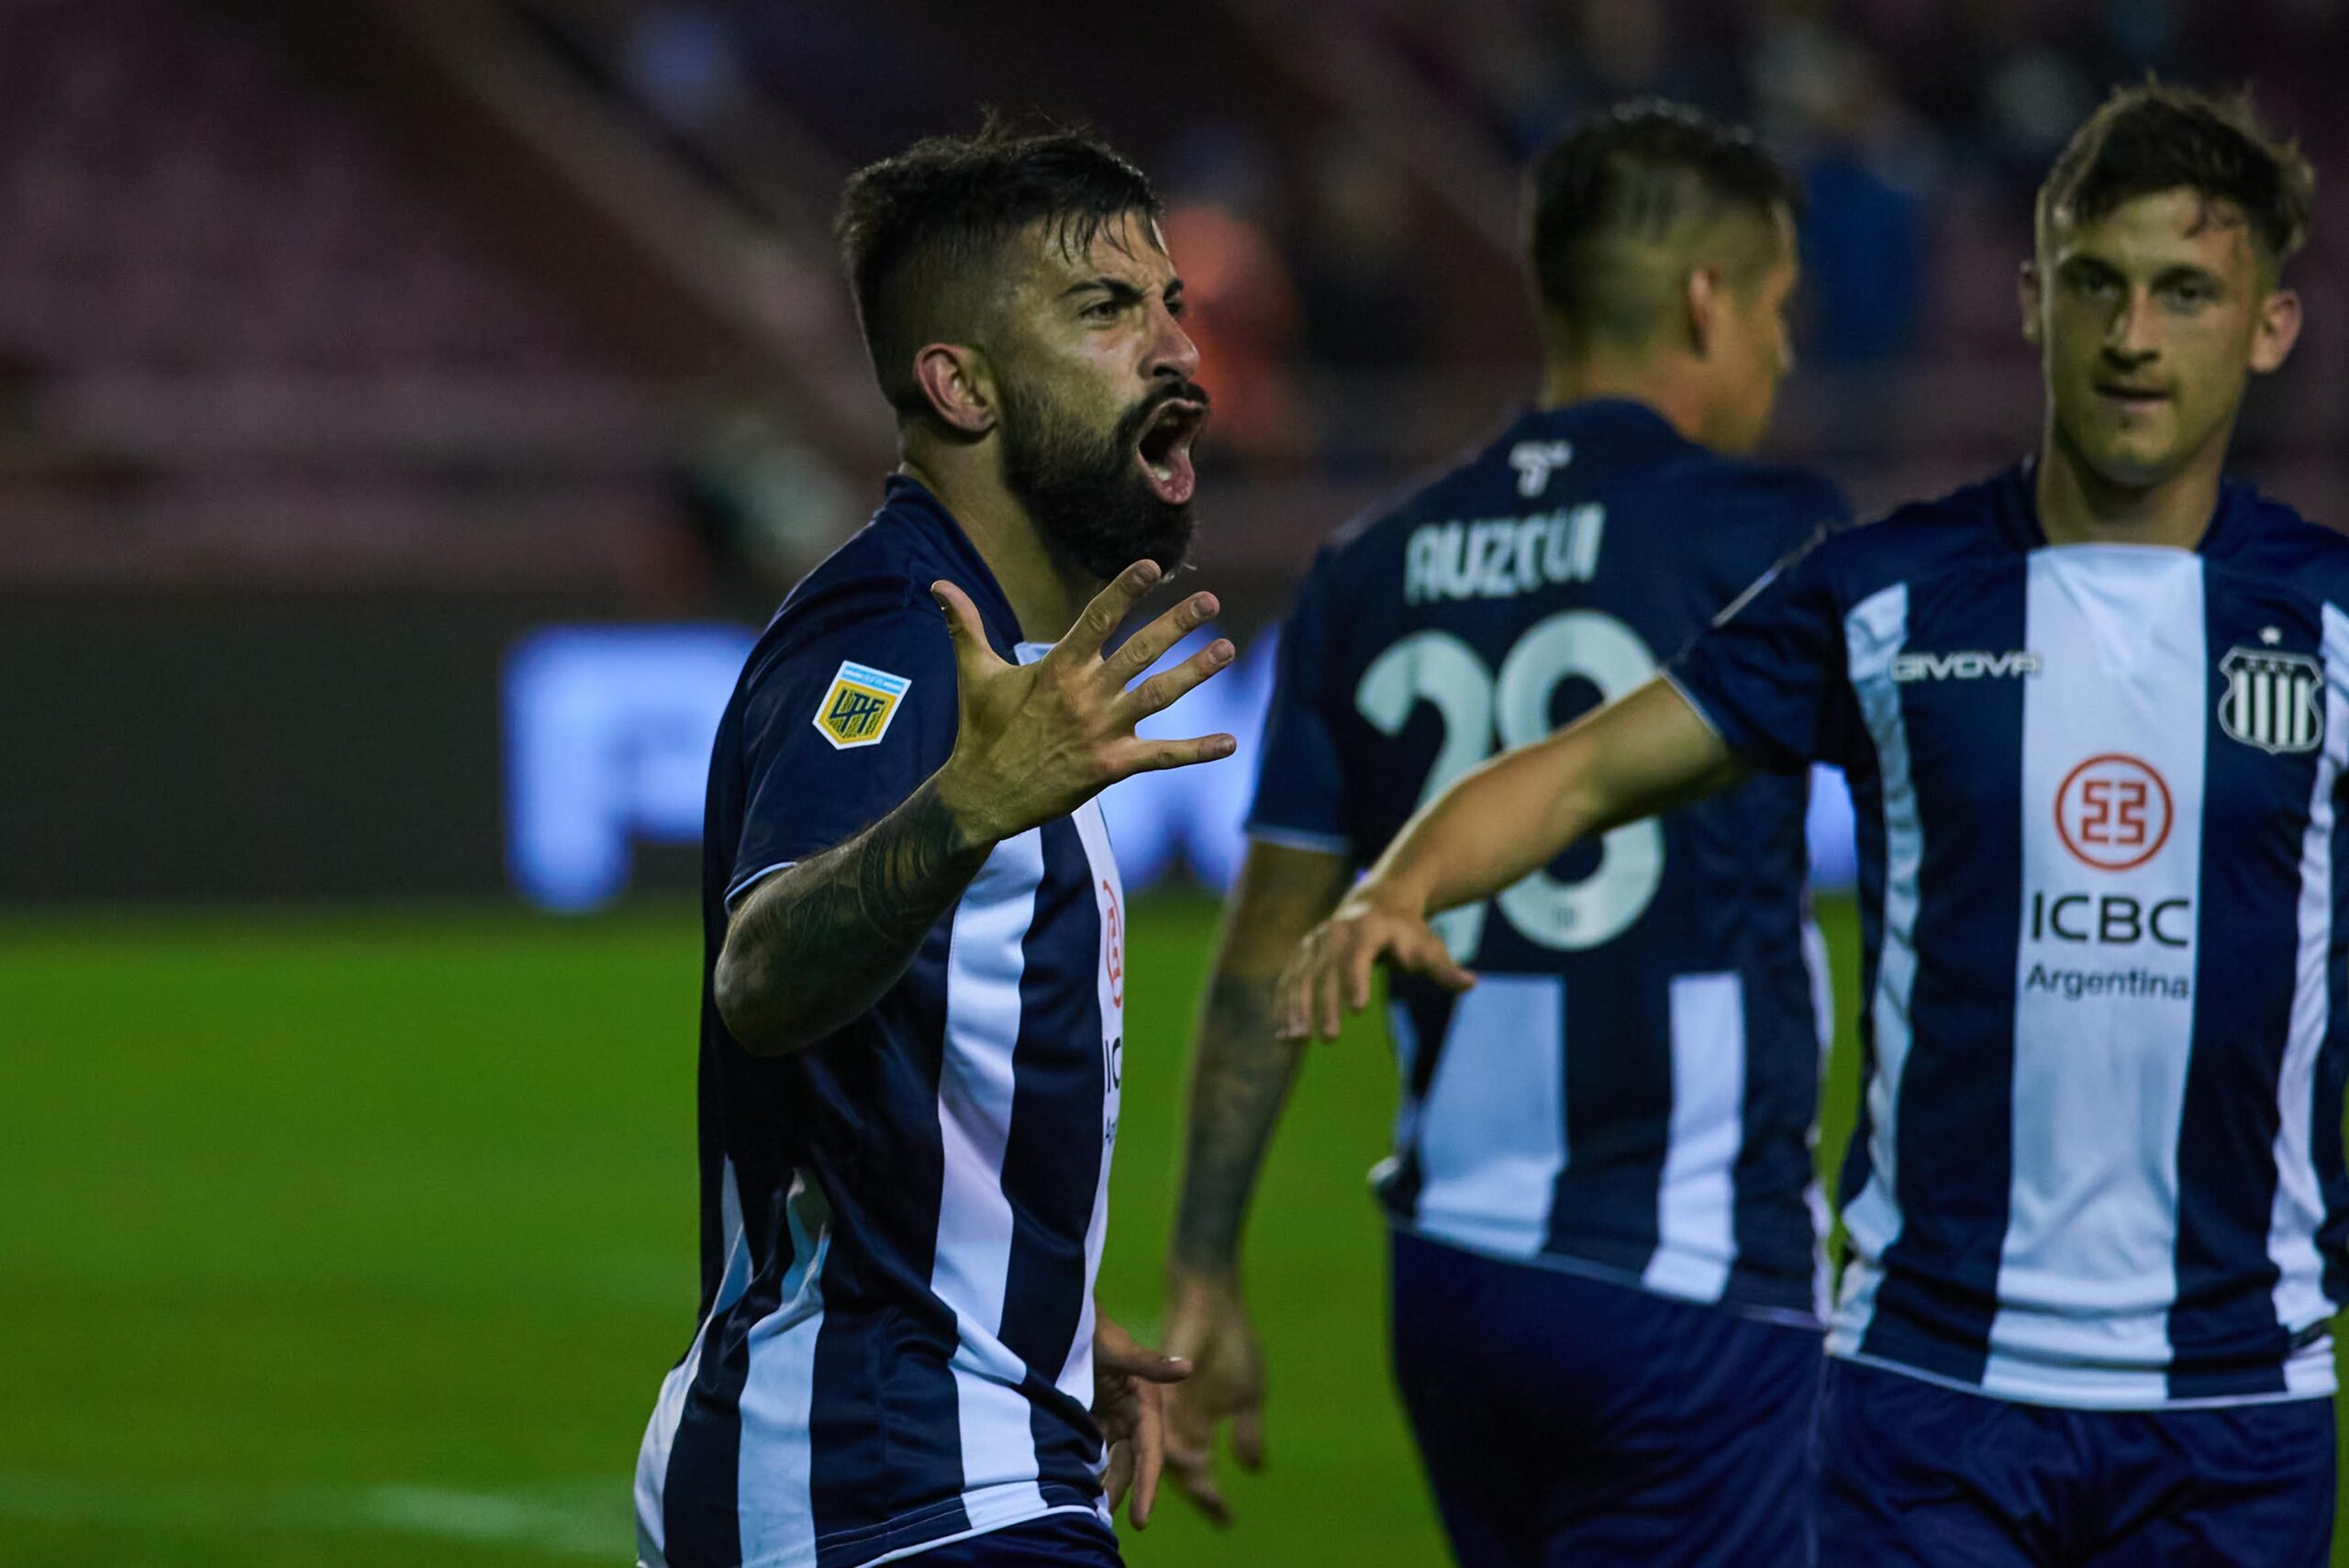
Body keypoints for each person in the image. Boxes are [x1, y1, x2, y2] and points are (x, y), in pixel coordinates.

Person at [1278, 82, 2343, 1565]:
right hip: (1930, 1401)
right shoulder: (1885, 595)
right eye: (2097, 285)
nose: (2135, 336)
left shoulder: (2331, 621)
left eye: (2186, 292)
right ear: (2035, 301)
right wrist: (1405, 878)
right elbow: (1586, 770)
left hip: (2238, 1400)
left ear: (2271, 324)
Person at [1161, 104, 1848, 1566]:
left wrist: (1205, 1265)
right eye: (1778, 311)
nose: (1785, 356)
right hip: (1688, 1272)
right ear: (1706, 299)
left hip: (1456, 1282)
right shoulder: (1771, 530)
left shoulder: (1370, 566)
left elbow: (1264, 948)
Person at [633, 119, 1240, 1568]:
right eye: (1103, 311)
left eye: (1172, 306)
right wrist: (973, 800)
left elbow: (903, 1070)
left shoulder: (993, 647)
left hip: (928, 1464)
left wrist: (1040, 1296)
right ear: (955, 382)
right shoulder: (900, 640)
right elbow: (762, 971)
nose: (1174, 353)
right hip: (899, 1489)